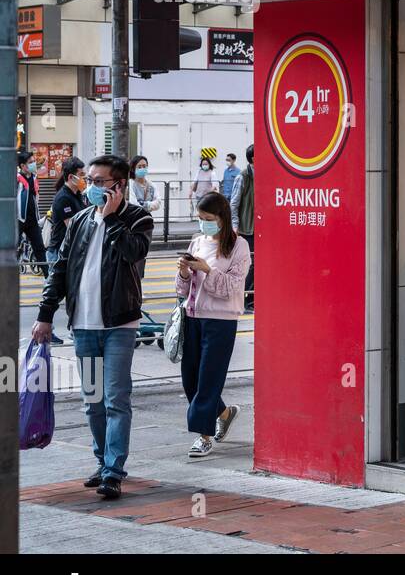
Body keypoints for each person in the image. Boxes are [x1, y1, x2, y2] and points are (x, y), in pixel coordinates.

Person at [32, 154, 153, 500]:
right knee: (93, 400)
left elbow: (134, 254)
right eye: (90, 180)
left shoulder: (138, 219)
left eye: (101, 182)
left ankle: (114, 471)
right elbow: (60, 270)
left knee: (116, 399)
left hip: (119, 323)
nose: (93, 187)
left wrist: (112, 219)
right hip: (83, 324)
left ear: (119, 185)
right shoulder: (81, 220)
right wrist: (45, 313)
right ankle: (102, 462)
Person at [175, 191, 250, 459]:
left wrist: (208, 269)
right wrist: (184, 272)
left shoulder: (238, 246)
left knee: (209, 378)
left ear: (221, 218)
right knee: (190, 379)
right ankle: (225, 413)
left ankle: (204, 436)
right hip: (193, 316)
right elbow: (183, 289)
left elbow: (230, 288)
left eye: (208, 218)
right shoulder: (197, 241)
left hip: (221, 321)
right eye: (200, 218)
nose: (203, 223)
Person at [44, 157, 88, 345]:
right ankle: (47, 330)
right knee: (54, 292)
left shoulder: (77, 194)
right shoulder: (63, 198)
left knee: (75, 291)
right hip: (58, 253)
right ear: (71, 177)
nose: (85, 178)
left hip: (72, 253)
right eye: (82, 175)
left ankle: (74, 329)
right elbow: (74, 227)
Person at [230, 144, 254, 311]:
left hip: (260, 228)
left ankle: (250, 298)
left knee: (258, 265)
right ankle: (242, 296)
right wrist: (235, 225)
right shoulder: (243, 177)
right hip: (246, 229)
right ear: (253, 158)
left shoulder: (266, 174)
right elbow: (234, 203)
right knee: (249, 265)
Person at [16, 151, 48, 277]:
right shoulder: (16, 179)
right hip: (18, 219)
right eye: (30, 163)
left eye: (33, 162)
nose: (33, 164)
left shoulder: (34, 178)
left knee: (39, 248)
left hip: (32, 219)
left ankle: (48, 277)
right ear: (22, 166)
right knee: (13, 248)